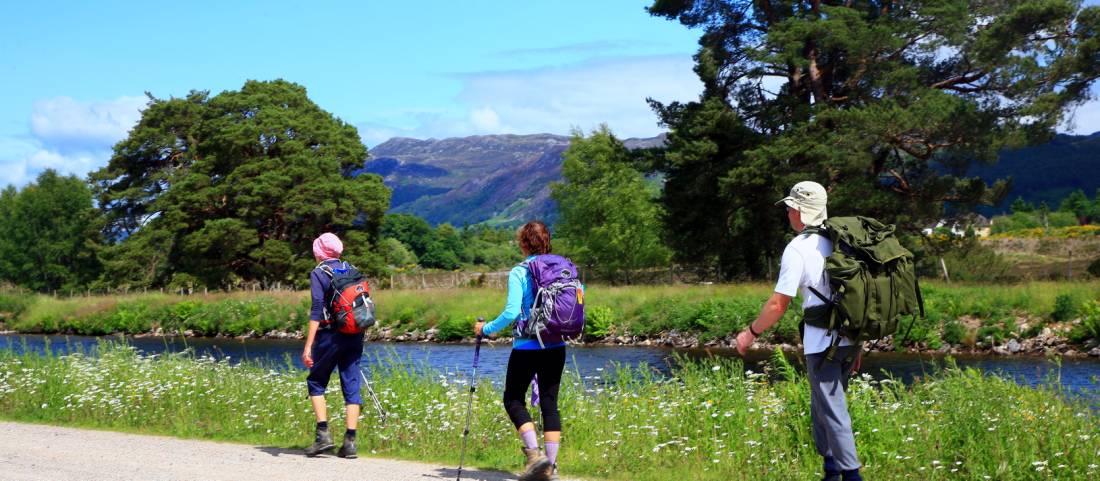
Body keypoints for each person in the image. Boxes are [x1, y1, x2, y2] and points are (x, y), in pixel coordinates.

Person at [734, 181, 863, 481]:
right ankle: (831, 474)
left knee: (833, 412)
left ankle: (852, 476)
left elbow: (778, 304)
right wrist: (859, 347)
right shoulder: (843, 241)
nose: (788, 213)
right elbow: (859, 298)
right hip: (849, 341)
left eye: (791, 208)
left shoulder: (797, 249)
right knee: (821, 409)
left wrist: (750, 333)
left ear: (802, 212)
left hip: (823, 346)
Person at [474, 221, 564, 481]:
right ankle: (551, 468)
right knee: (550, 403)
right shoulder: (563, 268)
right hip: (556, 344)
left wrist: (486, 328)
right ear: (547, 241)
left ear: (524, 243)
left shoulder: (519, 271)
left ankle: (535, 456)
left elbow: (512, 312)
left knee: (513, 399)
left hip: (526, 345)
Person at [302, 232, 364, 458]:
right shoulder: (352, 269)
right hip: (355, 333)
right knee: (352, 383)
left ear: (319, 251)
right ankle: (350, 443)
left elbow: (317, 308)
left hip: (330, 335)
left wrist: (308, 345)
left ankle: (323, 436)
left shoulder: (319, 273)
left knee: (316, 381)